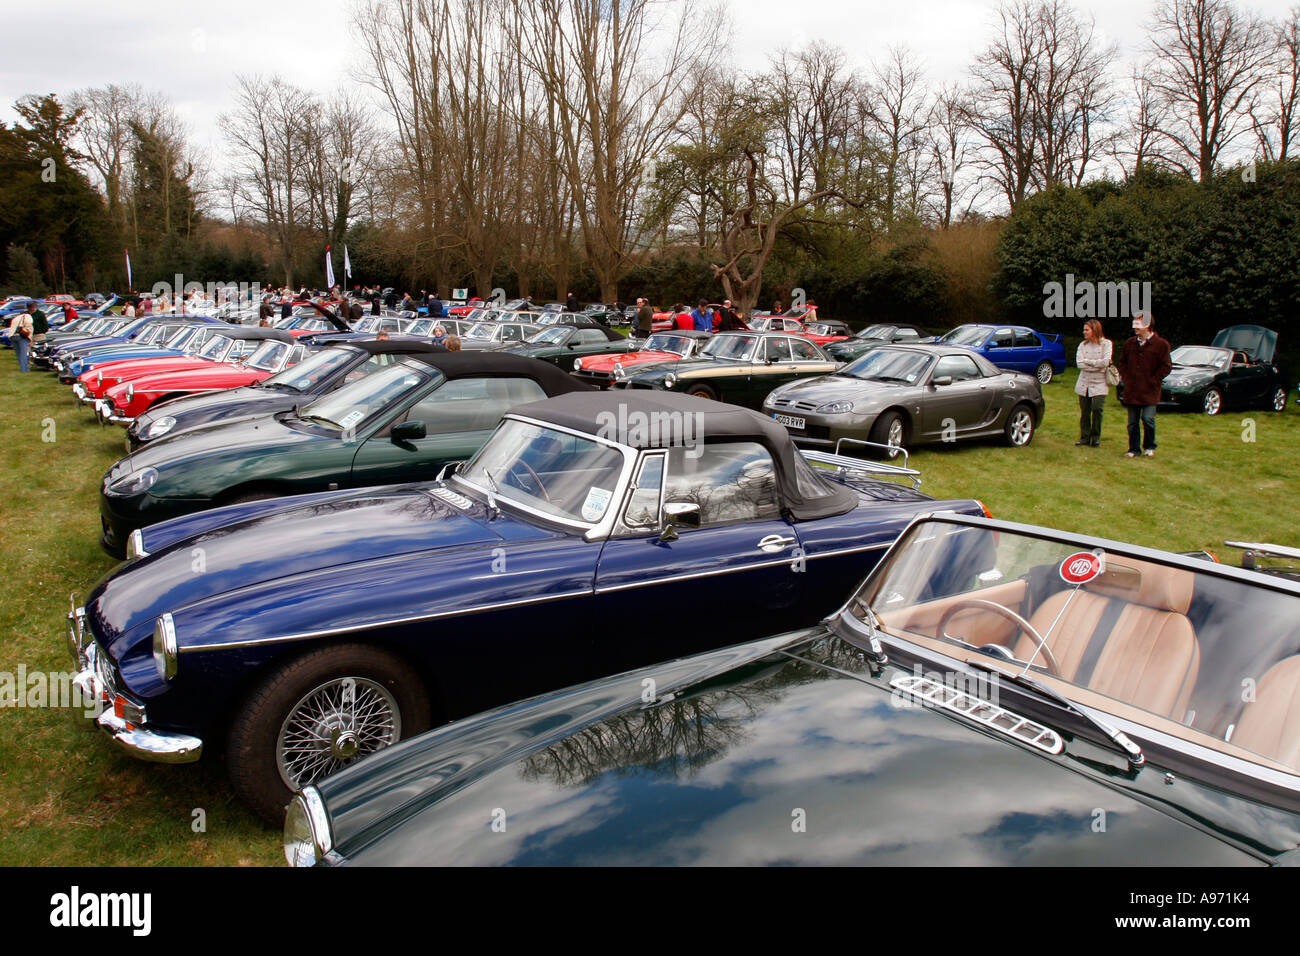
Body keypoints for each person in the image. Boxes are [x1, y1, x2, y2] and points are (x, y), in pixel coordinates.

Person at [1117, 310, 1172, 459]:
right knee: (1132, 423)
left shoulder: (1161, 345)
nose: (1135, 327)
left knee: (1148, 419)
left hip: (1150, 391)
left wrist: (1153, 380)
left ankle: (1149, 446)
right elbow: (1123, 362)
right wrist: (1126, 378)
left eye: (1139, 324)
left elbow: (1166, 366)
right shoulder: (1130, 343)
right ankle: (1134, 449)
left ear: (1148, 325)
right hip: (1132, 390)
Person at [1074, 318, 1112, 447]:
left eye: (1087, 330)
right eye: (1084, 329)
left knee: (1097, 408)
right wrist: (1097, 364)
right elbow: (1080, 364)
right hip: (1084, 382)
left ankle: (1096, 437)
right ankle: (1085, 437)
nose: (1084, 332)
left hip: (1100, 383)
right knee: (1085, 411)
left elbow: (1106, 362)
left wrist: (1088, 361)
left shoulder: (1106, 344)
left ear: (1094, 330)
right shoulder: (1082, 345)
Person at [8, 304, 36, 372]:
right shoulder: (28, 316)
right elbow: (29, 324)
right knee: (23, 354)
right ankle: (25, 369)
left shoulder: (15, 318)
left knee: (19, 354)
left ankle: (23, 367)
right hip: (22, 336)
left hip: (12, 336)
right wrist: (29, 333)